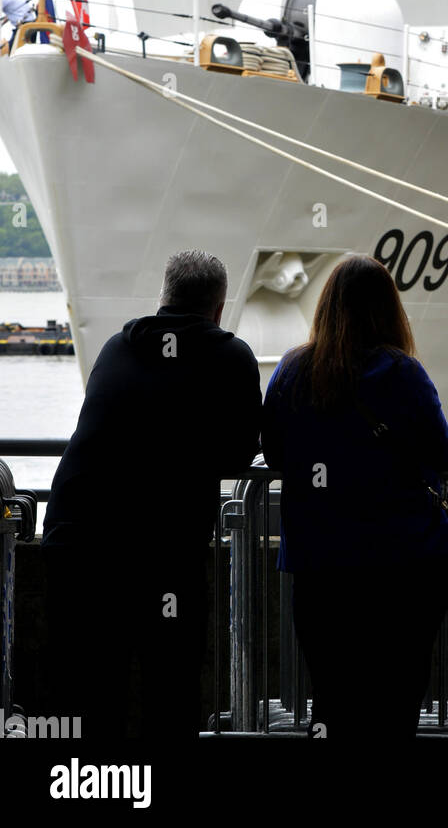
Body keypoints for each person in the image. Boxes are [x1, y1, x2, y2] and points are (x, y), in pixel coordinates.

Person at [42, 249, 262, 738]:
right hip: (161, 552)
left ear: (163, 296)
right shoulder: (230, 356)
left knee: (88, 695)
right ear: (219, 307)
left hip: (75, 539)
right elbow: (240, 454)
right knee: (171, 688)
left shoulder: (119, 345)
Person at [261, 254, 448, 741]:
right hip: (407, 563)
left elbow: (275, 452)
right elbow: (441, 452)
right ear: (390, 310)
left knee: (333, 695)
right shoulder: (402, 373)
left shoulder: (292, 372)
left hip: (321, 564)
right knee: (397, 697)